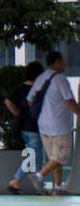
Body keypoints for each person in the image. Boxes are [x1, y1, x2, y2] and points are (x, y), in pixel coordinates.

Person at [26, 51, 79, 194]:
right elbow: (70, 101)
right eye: (62, 61)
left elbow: (30, 100)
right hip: (59, 125)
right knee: (61, 156)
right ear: (56, 62)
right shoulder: (60, 79)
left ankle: (58, 187)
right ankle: (38, 176)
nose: (64, 64)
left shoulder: (40, 78)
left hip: (43, 125)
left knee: (54, 158)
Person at [7, 61, 47, 194]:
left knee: (37, 156)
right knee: (34, 156)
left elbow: (8, 101)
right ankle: (16, 180)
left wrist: (18, 114)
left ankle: (39, 186)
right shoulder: (37, 89)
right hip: (34, 128)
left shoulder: (21, 87)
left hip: (24, 127)